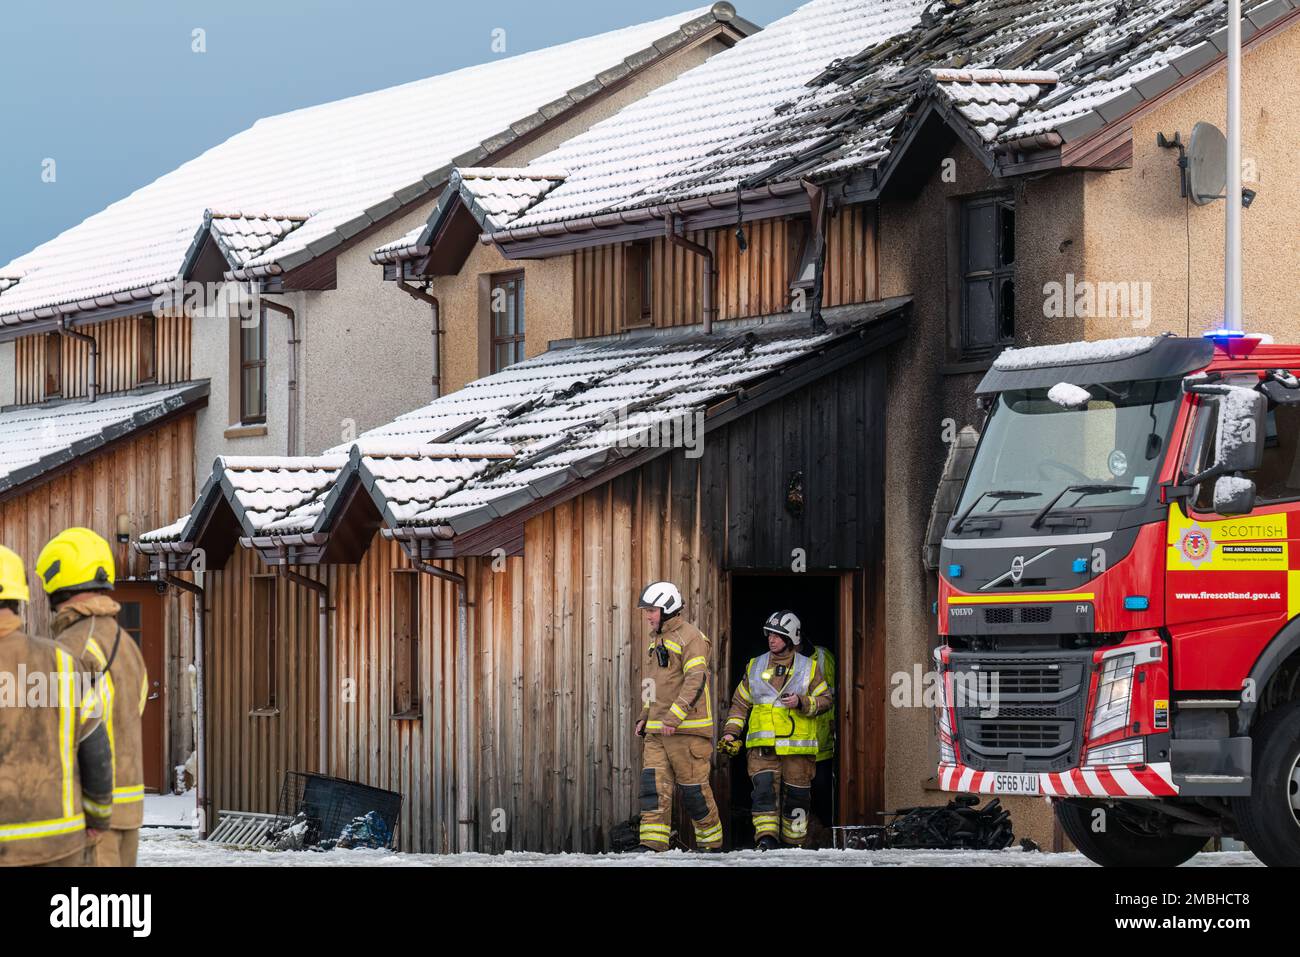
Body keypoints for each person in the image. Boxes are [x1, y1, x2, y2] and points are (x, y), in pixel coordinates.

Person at [37, 528, 149, 867]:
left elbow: (60, 732)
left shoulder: (73, 646)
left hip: (92, 818)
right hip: (126, 812)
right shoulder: (127, 644)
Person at [0, 544, 114, 866]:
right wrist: (98, 818)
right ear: (19, 601)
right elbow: (96, 748)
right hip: (59, 845)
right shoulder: (63, 661)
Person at [722, 609, 830, 850]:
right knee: (763, 794)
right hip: (763, 750)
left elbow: (826, 700)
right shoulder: (755, 665)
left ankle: (795, 845)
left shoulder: (809, 668)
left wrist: (803, 702)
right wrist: (731, 733)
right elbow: (740, 704)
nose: (771, 639)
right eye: (769, 634)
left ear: (791, 639)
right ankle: (766, 840)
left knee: (797, 800)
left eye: (778, 635)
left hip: (797, 751)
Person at [633, 580, 722, 852]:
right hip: (657, 732)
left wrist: (674, 717)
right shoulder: (657, 640)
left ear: (668, 608)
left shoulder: (692, 637)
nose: (648, 616)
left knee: (695, 792)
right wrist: (645, 715)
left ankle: (712, 847)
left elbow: (696, 680)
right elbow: (652, 682)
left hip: (686, 732)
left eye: (652, 610)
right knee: (654, 790)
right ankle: (651, 845)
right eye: (646, 611)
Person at [800, 629, 837, 837]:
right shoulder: (779, 661)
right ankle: (800, 836)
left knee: (822, 791)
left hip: (822, 740)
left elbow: (838, 692)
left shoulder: (824, 657)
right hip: (794, 743)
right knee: (796, 795)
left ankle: (824, 833)